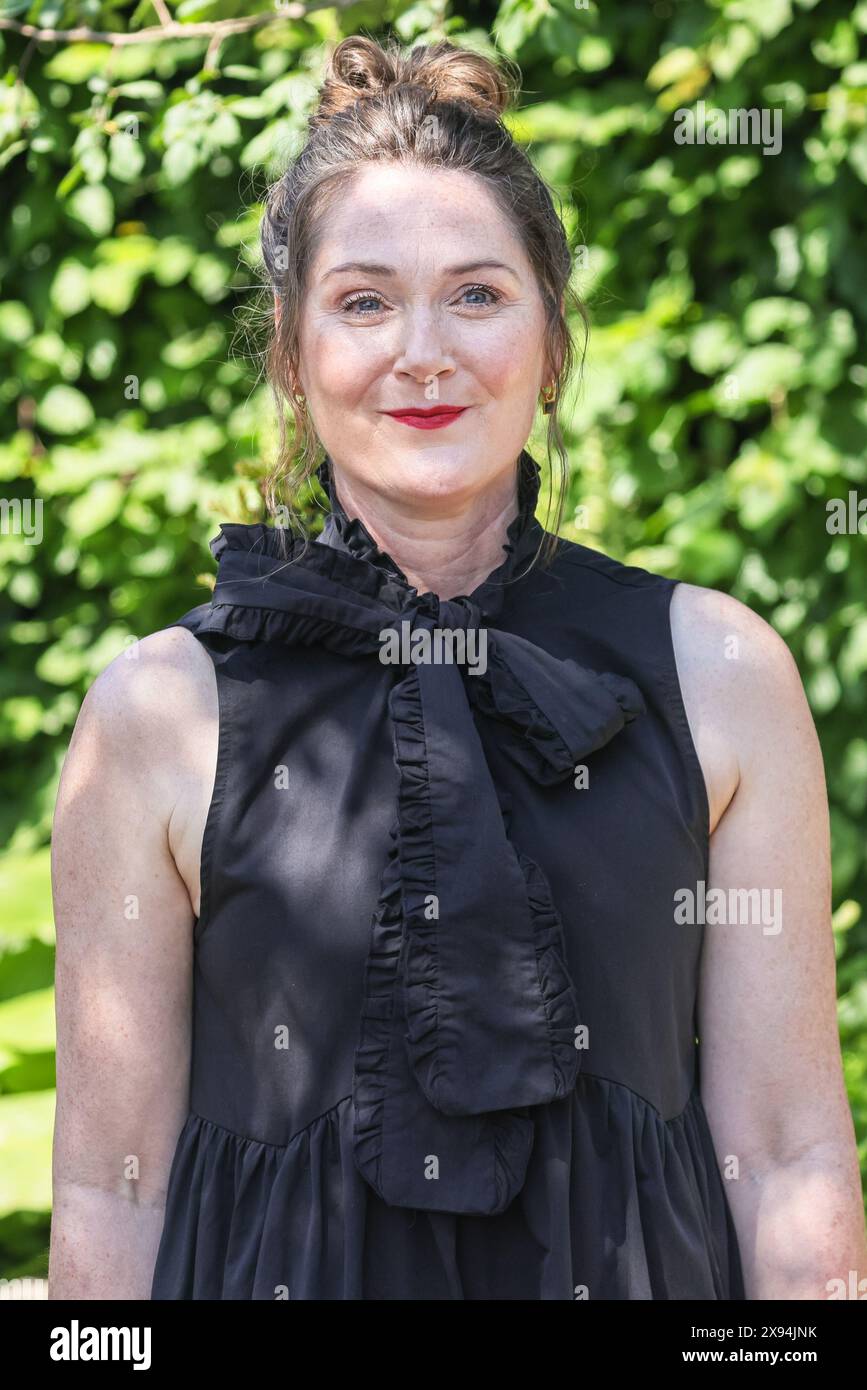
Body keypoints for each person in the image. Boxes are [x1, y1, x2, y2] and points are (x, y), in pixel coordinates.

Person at [48, 35, 866, 1301]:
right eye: (364, 301)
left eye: (478, 295)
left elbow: (787, 1148)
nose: (423, 351)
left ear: (550, 347)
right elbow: (113, 1182)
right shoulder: (157, 713)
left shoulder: (719, 670)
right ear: (293, 352)